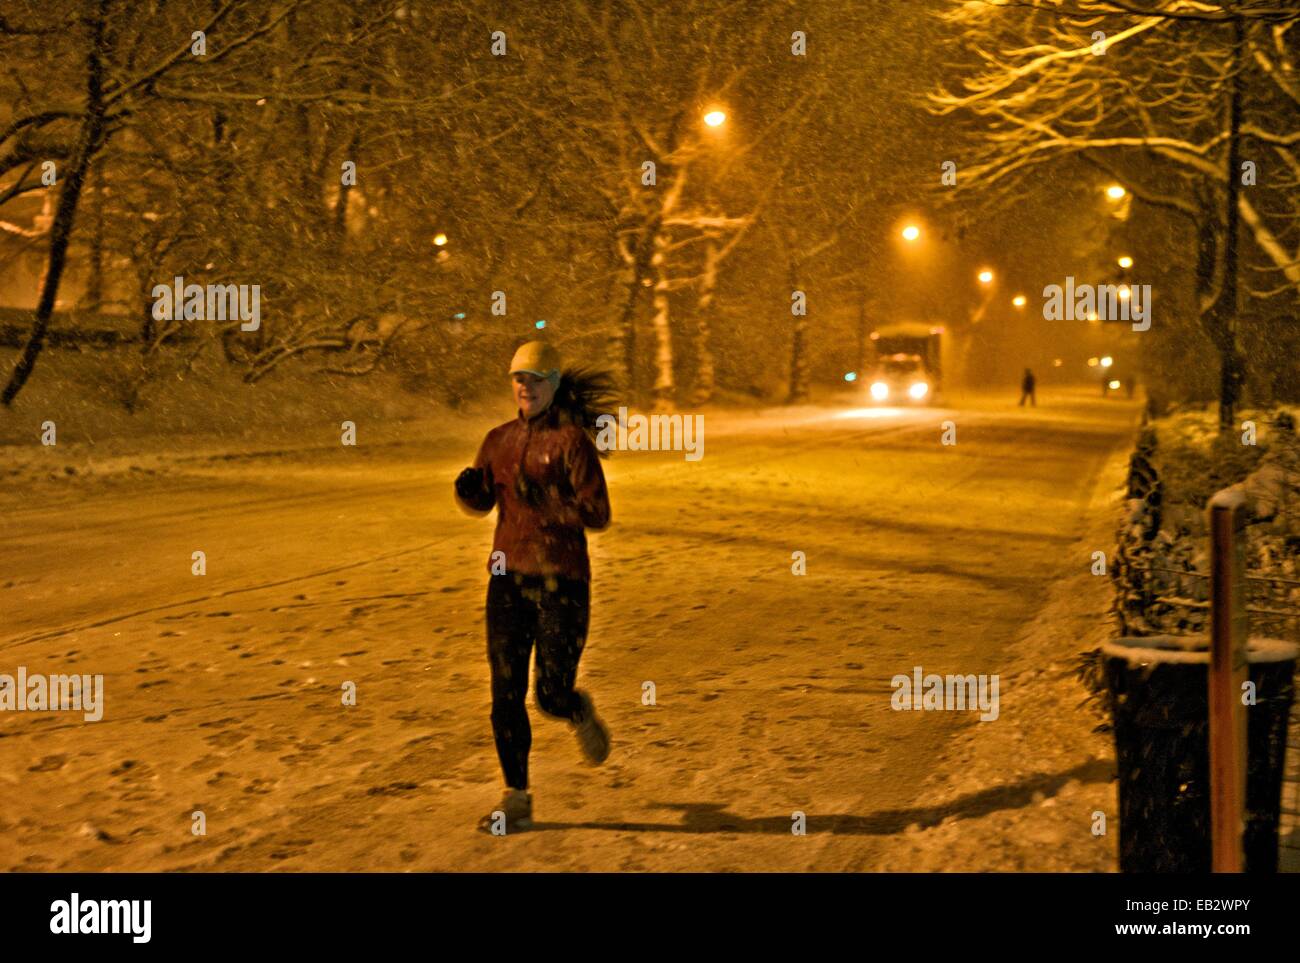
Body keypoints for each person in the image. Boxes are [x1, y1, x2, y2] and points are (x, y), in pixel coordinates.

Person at [454, 340, 616, 833]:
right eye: (518, 379)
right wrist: (470, 494)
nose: (525, 386)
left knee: (548, 692)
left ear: (554, 385)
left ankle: (575, 707)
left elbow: (598, 514)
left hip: (561, 581)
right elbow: (485, 505)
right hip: (506, 577)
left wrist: (550, 499)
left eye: (535, 379)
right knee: (505, 692)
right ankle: (516, 797)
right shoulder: (497, 439)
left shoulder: (572, 443)